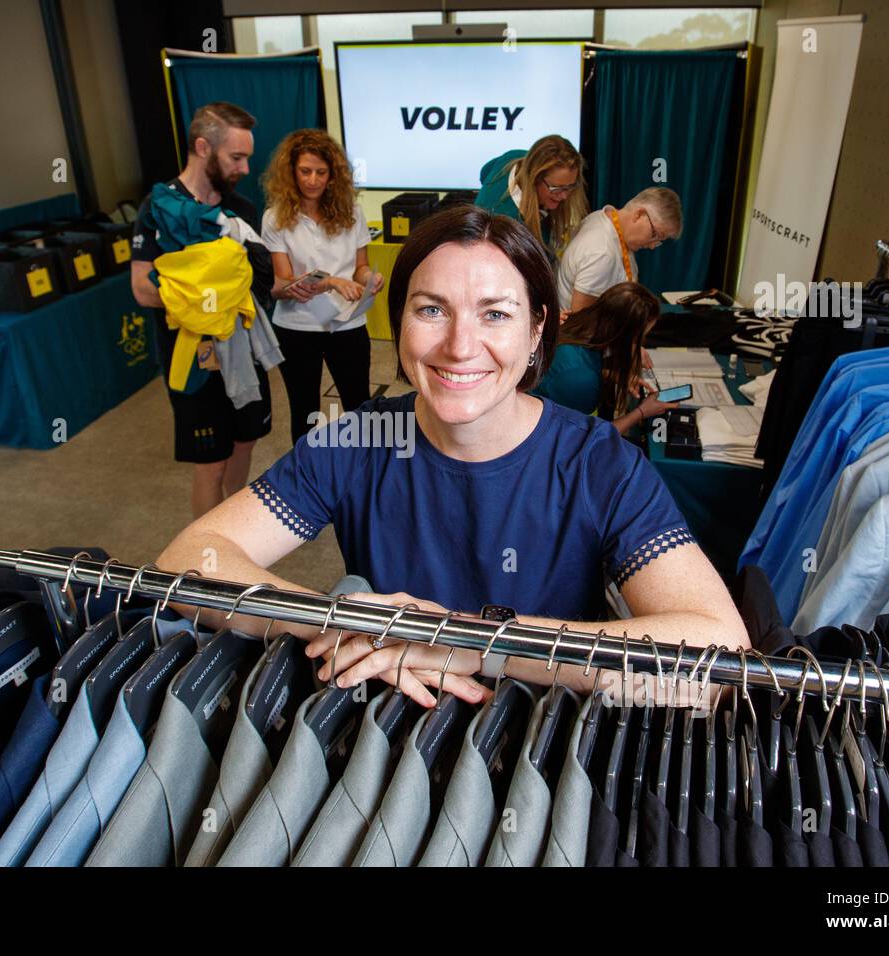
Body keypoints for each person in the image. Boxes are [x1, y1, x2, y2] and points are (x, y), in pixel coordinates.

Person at [155, 205, 748, 707]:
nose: (461, 346)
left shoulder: (600, 465)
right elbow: (188, 561)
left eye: (496, 313)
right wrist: (346, 621)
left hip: (540, 747)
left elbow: (719, 655)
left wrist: (474, 640)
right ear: (401, 322)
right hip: (385, 727)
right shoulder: (354, 442)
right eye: (431, 309)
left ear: (538, 329)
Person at [130, 102, 276, 519]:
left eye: (247, 157)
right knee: (211, 461)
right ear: (202, 147)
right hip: (192, 359)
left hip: (243, 351)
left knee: (246, 442)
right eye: (237, 157)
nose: (246, 168)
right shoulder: (158, 210)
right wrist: (208, 298)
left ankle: (232, 529)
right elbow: (142, 288)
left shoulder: (242, 211)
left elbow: (258, 282)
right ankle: (207, 562)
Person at [259, 129, 380, 443]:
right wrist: (330, 282)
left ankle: (363, 472)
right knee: (304, 411)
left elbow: (361, 268)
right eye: (305, 171)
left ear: (333, 175)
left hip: (347, 323)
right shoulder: (275, 218)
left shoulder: (351, 212)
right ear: (291, 172)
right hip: (296, 327)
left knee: (359, 405)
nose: (312, 180)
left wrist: (370, 280)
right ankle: (306, 479)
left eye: (320, 172)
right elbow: (281, 283)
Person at [533, 282, 680, 435]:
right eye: (639, 338)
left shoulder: (578, 325)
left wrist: (611, 375)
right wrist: (641, 412)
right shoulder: (580, 380)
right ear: (624, 335)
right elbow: (585, 440)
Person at [557, 187, 683, 314]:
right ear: (639, 214)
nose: (652, 246)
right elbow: (582, 321)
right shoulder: (602, 253)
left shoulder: (606, 217)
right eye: (655, 234)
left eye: (659, 241)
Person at [473, 134, 587, 262]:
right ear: (534, 178)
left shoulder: (516, 157)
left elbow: (485, 172)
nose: (564, 196)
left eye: (570, 187)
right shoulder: (512, 226)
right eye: (557, 188)